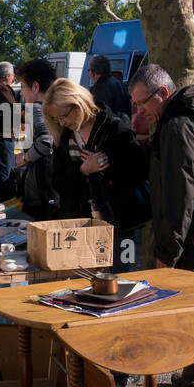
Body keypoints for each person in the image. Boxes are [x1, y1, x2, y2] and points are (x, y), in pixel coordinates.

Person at [129, 63, 194, 271]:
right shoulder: (180, 119)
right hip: (193, 239)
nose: (139, 111)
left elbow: (181, 197)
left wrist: (168, 255)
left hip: (188, 248)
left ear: (163, 92)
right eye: (135, 105)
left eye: (142, 103)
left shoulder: (176, 129)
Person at [42, 78, 150, 271]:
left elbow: (139, 171)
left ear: (78, 104)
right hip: (79, 223)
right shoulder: (62, 137)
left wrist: (104, 166)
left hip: (121, 222)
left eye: (63, 116)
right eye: (56, 119)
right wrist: (83, 170)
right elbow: (56, 182)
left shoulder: (116, 128)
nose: (62, 122)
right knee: (83, 282)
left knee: (122, 277)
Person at [15, 58, 60, 218]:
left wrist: (25, 158)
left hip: (42, 188)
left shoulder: (34, 108)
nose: (21, 92)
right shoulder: (58, 109)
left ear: (35, 87)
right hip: (56, 187)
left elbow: (46, 141)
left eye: (22, 87)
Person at [0, 61, 22, 201]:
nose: (13, 78)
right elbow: (13, 108)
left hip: (5, 135)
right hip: (4, 136)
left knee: (6, 170)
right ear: (7, 75)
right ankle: (3, 204)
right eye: (13, 75)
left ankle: (3, 202)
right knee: (5, 171)